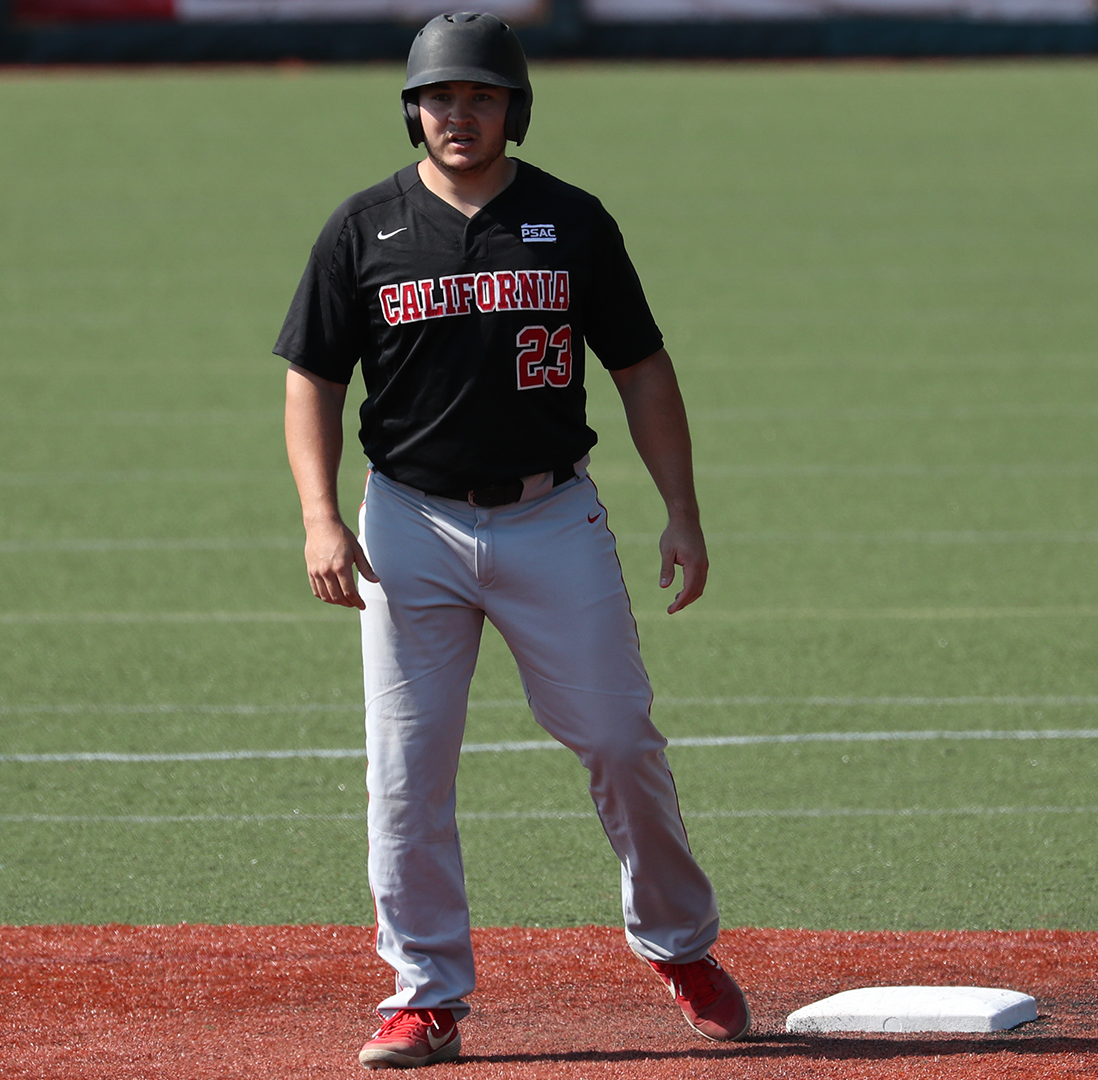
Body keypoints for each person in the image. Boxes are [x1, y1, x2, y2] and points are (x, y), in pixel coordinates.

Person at [276, 12, 749, 1070]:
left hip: (551, 516)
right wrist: (318, 514)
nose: (458, 114)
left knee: (621, 742)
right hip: (410, 523)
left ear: (514, 110)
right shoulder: (364, 228)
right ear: (412, 109)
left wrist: (683, 508)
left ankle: (680, 945)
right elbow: (313, 374)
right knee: (404, 773)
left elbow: (641, 369)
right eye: (440, 97)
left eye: (479, 97)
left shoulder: (571, 221)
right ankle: (424, 994)